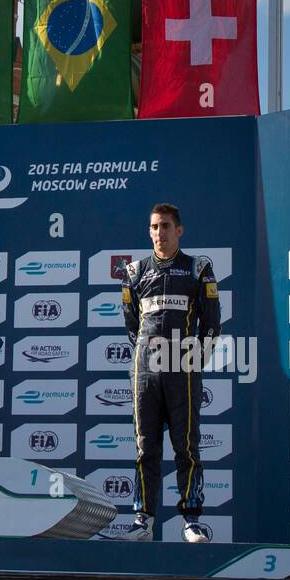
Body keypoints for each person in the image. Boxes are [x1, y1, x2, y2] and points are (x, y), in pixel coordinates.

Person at [120, 204, 221, 543]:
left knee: (186, 447)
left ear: (179, 230)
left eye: (165, 226)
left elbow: (211, 324)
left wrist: (193, 360)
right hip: (146, 367)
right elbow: (132, 326)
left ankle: (191, 520)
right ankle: (143, 521)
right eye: (153, 226)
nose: (159, 233)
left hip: (183, 365)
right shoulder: (134, 272)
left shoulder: (198, 268)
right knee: (145, 447)